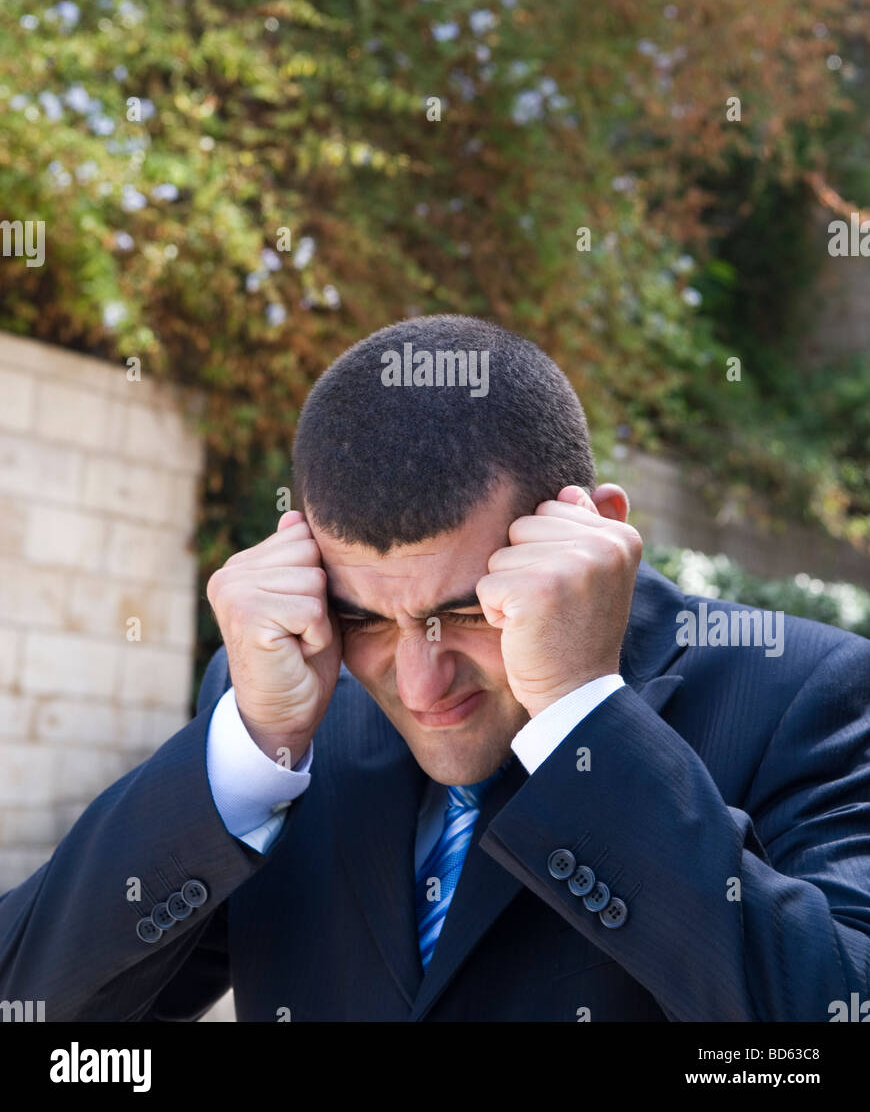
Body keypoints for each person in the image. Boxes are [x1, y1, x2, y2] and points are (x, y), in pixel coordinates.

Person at [1, 314, 869, 1022]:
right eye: (363, 617)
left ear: (596, 530)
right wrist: (246, 751)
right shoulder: (284, 710)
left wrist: (582, 719)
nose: (419, 687)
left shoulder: (808, 693)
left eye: (465, 612)